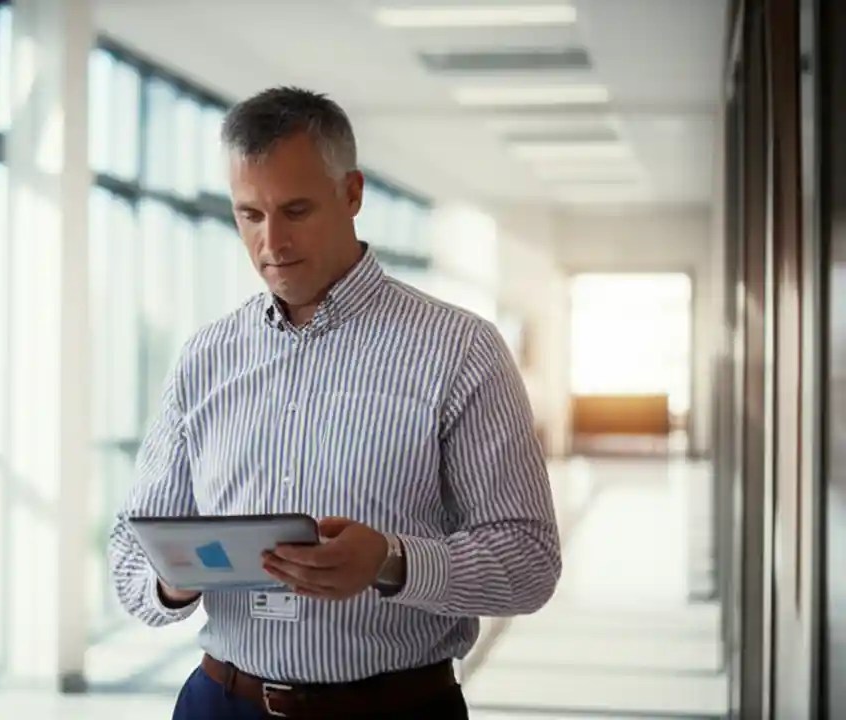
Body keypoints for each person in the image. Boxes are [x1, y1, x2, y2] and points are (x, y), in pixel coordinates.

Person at [107, 86, 561, 720]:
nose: (271, 243)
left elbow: (529, 561)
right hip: (220, 702)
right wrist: (176, 577)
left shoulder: (461, 350)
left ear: (352, 194)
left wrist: (392, 562)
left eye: (296, 210)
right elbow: (130, 554)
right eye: (249, 215)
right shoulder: (204, 358)